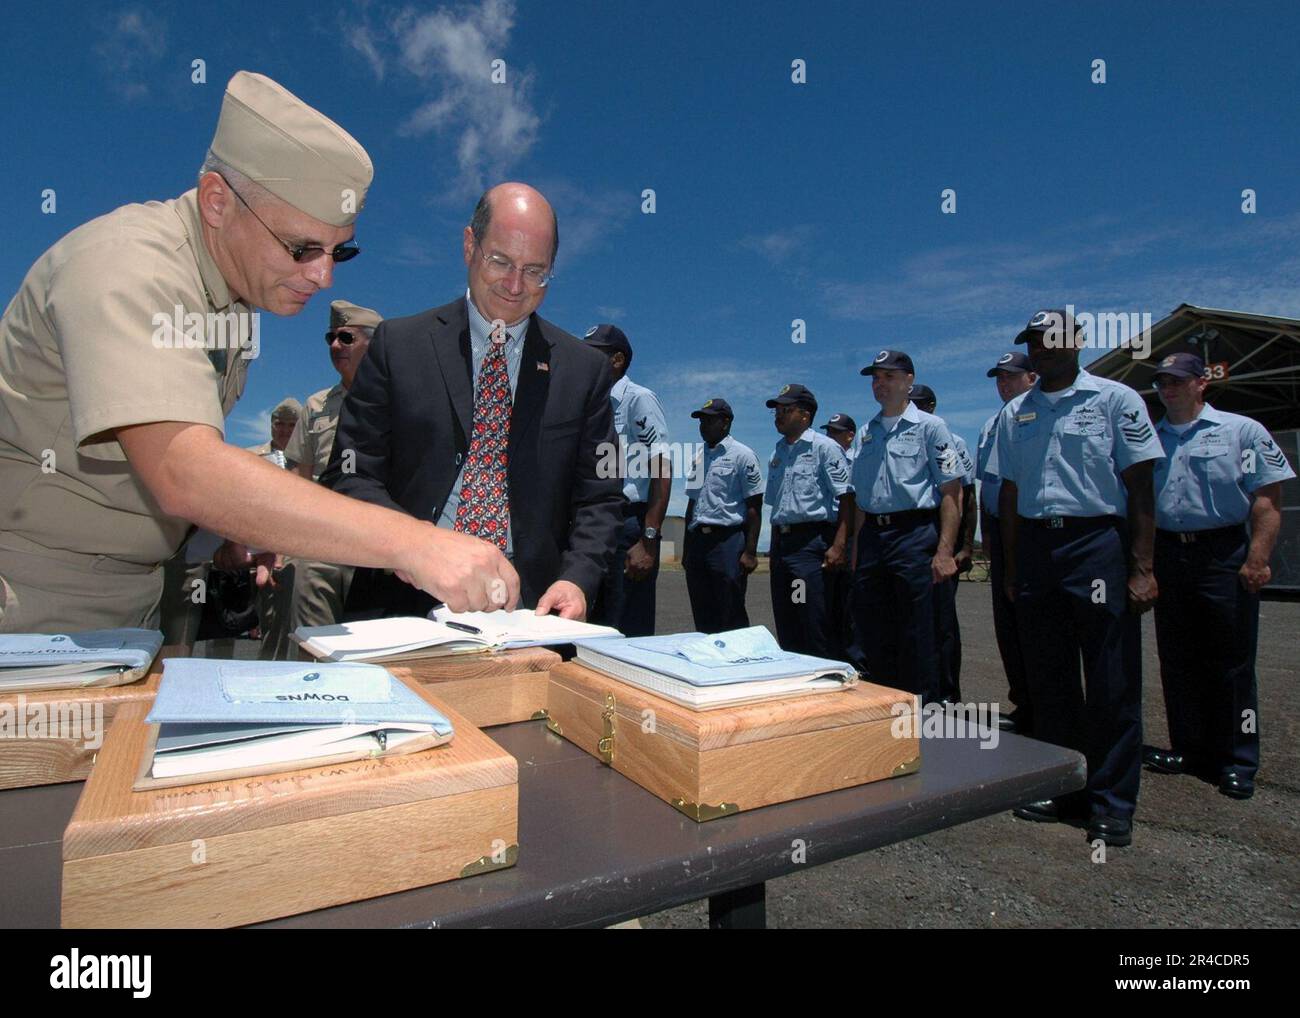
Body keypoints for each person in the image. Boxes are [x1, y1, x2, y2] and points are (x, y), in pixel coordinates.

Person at [0, 70, 518, 634]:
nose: (321, 277)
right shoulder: (127, 267)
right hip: (32, 594)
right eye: (302, 248)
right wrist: (416, 543)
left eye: (338, 252)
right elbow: (184, 469)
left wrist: (245, 525)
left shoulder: (232, 301)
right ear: (218, 202)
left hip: (138, 593)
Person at [327, 183, 622, 620]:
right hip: (400, 601)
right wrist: (416, 547)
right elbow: (350, 474)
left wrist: (577, 578)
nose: (515, 285)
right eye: (500, 261)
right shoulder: (397, 346)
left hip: (531, 613)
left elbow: (600, 498)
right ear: (470, 245)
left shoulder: (585, 372)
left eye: (535, 270)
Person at [997, 309, 1162, 848]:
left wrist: (1142, 567)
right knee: (1051, 683)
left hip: (1097, 545)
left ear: (1077, 341)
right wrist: (1015, 570)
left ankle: (1111, 802)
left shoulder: (1116, 400)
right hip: (1038, 548)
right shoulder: (1017, 412)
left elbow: (1140, 487)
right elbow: (1012, 494)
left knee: (1112, 683)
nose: (1042, 349)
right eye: (1034, 342)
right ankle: (1064, 786)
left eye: (1052, 339)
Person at [1144, 352, 1294, 800]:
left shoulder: (1240, 431)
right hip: (1170, 552)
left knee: (1230, 662)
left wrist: (1258, 557)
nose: (1167, 389)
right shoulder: (1151, 439)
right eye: (1161, 383)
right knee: (1178, 657)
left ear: (1200, 383)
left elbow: (1268, 497)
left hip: (1223, 552)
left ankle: (1237, 758)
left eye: (1176, 381)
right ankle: (1189, 748)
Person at [254, 300, 381, 659]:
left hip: (383, 537)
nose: (335, 346)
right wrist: (277, 542)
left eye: (346, 337)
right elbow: (297, 482)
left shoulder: (402, 397)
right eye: (330, 338)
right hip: (326, 537)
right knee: (314, 634)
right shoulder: (316, 407)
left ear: (374, 343)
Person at [845, 352, 964, 704]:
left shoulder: (931, 427)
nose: (879, 384)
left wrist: (944, 551)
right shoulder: (865, 434)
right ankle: (887, 713)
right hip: (873, 539)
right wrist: (856, 552)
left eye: (888, 377)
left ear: (909, 380)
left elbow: (951, 492)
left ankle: (923, 716)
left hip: (914, 534)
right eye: (875, 378)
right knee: (873, 631)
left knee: (917, 632)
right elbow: (860, 500)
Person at [585, 325, 671, 636]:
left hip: (629, 527)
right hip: (596, 525)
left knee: (627, 627)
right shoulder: (592, 404)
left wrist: (648, 542)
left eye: (592, 355)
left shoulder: (638, 400)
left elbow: (661, 468)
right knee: (595, 626)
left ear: (617, 360)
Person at [763, 384, 852, 657]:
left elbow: (847, 498)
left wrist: (839, 546)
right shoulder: (777, 453)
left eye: (785, 410)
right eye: (776, 410)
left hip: (811, 545)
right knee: (788, 621)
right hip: (783, 545)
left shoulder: (825, 448)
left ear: (805, 415)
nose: (778, 415)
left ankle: (827, 686)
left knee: (814, 622)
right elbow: (774, 503)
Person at [975, 351, 1037, 733]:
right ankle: (1025, 702)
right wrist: (985, 535)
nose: (1003, 384)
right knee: (1007, 623)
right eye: (999, 378)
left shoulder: (1039, 416)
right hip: (1000, 529)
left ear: (1032, 377)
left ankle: (1048, 707)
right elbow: (987, 486)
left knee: (1036, 623)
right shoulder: (990, 425)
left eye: (1010, 377)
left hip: (1031, 527)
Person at [909, 383, 975, 703]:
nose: (914, 410)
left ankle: (948, 690)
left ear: (933, 406)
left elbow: (967, 497)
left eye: (920, 404)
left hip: (943, 531)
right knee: (919, 620)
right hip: (917, 537)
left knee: (943, 620)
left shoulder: (951, 440)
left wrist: (964, 546)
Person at [682, 398, 764, 633]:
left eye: (709, 420)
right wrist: (688, 550)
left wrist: (750, 551)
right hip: (699, 542)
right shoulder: (699, 457)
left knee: (731, 611)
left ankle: (738, 664)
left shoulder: (743, 455)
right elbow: (692, 504)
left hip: (727, 542)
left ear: (725, 422)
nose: (703, 425)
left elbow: (754, 507)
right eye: (701, 421)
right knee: (702, 609)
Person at [820, 412, 861, 669]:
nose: (830, 437)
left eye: (836, 432)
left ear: (850, 435)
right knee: (828, 604)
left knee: (851, 607)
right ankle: (833, 659)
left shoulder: (857, 461)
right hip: (830, 532)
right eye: (828, 432)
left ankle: (856, 662)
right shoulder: (826, 457)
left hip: (851, 533)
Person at [247, 398, 302, 467]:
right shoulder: (250, 456)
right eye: (280, 424)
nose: (285, 430)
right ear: (271, 426)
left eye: (292, 425)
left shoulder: (310, 461)